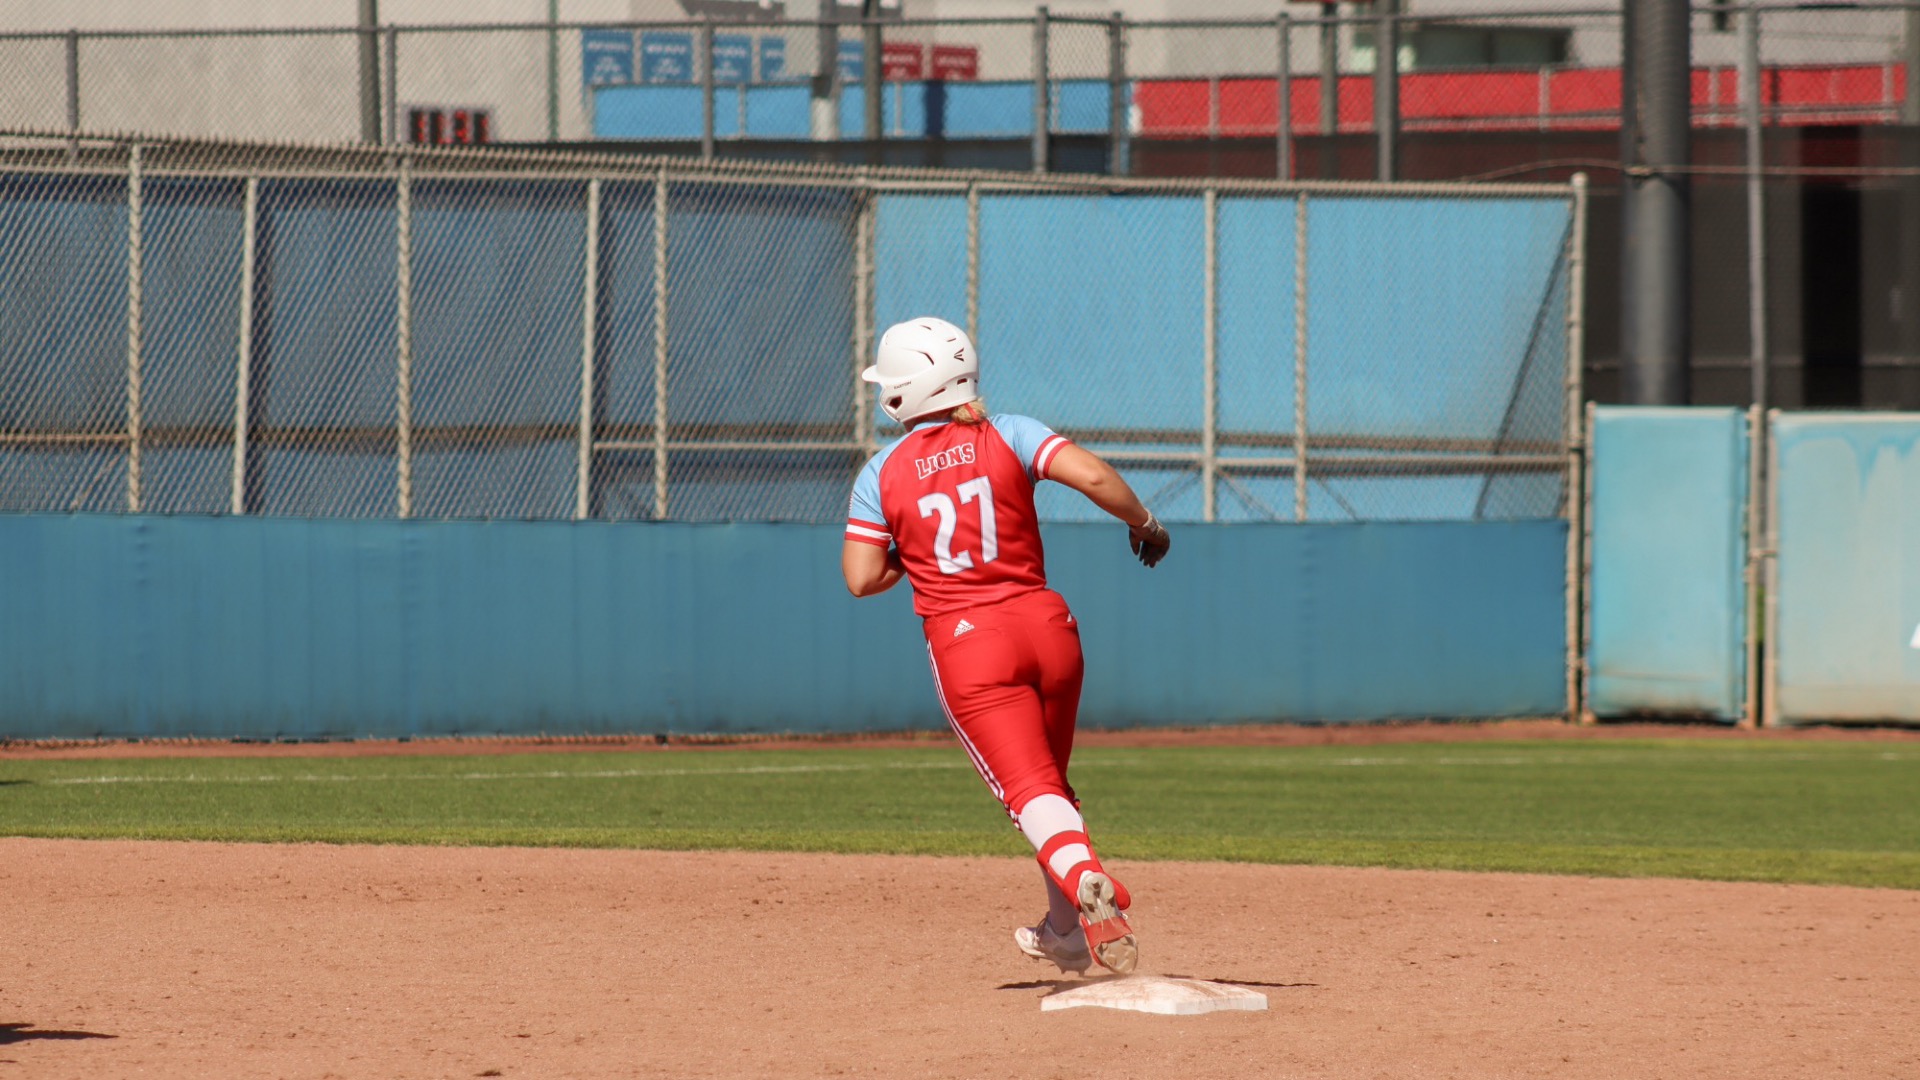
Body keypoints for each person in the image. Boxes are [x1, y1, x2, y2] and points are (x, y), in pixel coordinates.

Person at [840, 316, 1171, 976]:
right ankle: (1066, 932)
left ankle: (1084, 879)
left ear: (901, 392)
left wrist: (921, 552)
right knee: (1050, 788)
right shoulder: (1011, 431)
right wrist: (1146, 523)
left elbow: (861, 577)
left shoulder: (882, 472)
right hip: (1050, 629)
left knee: (1028, 794)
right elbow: (1096, 478)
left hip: (971, 645)